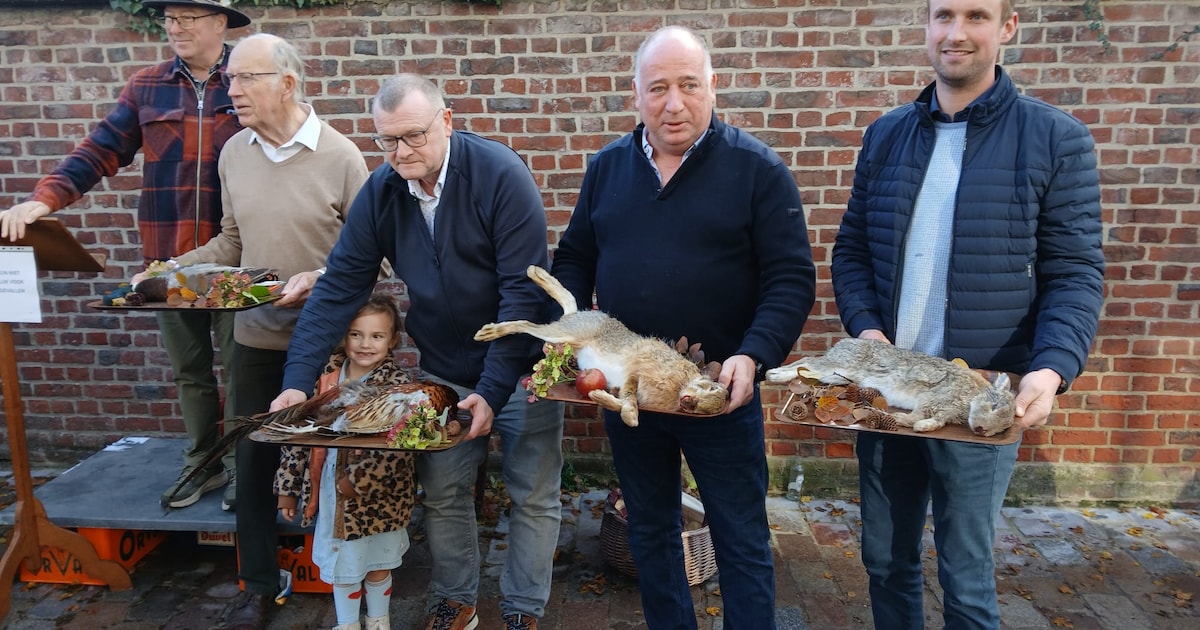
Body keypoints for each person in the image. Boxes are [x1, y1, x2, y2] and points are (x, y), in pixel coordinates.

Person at [829, 1, 1105, 628]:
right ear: (927, 26)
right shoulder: (887, 133)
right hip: (888, 392)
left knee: (967, 575)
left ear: (1008, 27)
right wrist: (867, 330)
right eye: (943, 15)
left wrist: (1052, 368)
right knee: (886, 563)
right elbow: (851, 249)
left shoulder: (1056, 139)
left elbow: (1075, 272)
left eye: (977, 16)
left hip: (980, 395)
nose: (956, 33)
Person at [268, 74, 565, 630]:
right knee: (445, 491)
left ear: (446, 121)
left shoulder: (501, 177)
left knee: (534, 493)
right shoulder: (382, 193)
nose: (401, 152)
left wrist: (492, 392)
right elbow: (338, 288)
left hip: (523, 368)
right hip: (443, 371)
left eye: (414, 136)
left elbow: (521, 296)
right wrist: (298, 379)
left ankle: (524, 609)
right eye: (387, 140)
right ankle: (455, 599)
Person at [550, 26, 816, 630]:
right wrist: (575, 332)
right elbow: (574, 258)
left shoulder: (758, 171)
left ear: (713, 87)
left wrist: (755, 354)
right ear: (635, 96)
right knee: (650, 529)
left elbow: (790, 279)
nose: (674, 103)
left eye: (689, 86)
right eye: (659, 88)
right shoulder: (608, 169)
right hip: (633, 392)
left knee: (741, 536)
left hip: (720, 390)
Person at [0, 0, 251, 510]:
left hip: (237, 258)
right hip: (169, 262)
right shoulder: (147, 86)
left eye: (188, 17)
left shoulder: (248, 79)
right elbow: (99, 151)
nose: (175, 27)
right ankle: (204, 463)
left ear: (220, 23)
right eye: (169, 18)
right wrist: (42, 199)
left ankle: (244, 468)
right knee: (191, 372)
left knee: (245, 369)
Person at [164, 33, 370, 630]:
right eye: (230, 80)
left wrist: (321, 275)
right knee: (252, 464)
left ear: (287, 82)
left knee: (339, 464)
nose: (233, 91)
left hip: (332, 342)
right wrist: (176, 270)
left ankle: (353, 578)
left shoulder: (342, 157)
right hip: (254, 336)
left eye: (246, 78)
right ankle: (259, 583)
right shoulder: (234, 153)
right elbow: (233, 242)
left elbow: (375, 255)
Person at [274, 293, 415, 630]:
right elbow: (300, 435)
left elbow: (398, 445)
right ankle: (348, 624)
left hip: (379, 499)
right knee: (344, 566)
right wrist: (288, 488)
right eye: (356, 334)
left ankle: (379, 621)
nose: (365, 344)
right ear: (344, 335)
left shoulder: (398, 387)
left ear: (393, 339)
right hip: (332, 493)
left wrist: (359, 482)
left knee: (378, 562)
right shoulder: (326, 379)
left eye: (377, 336)